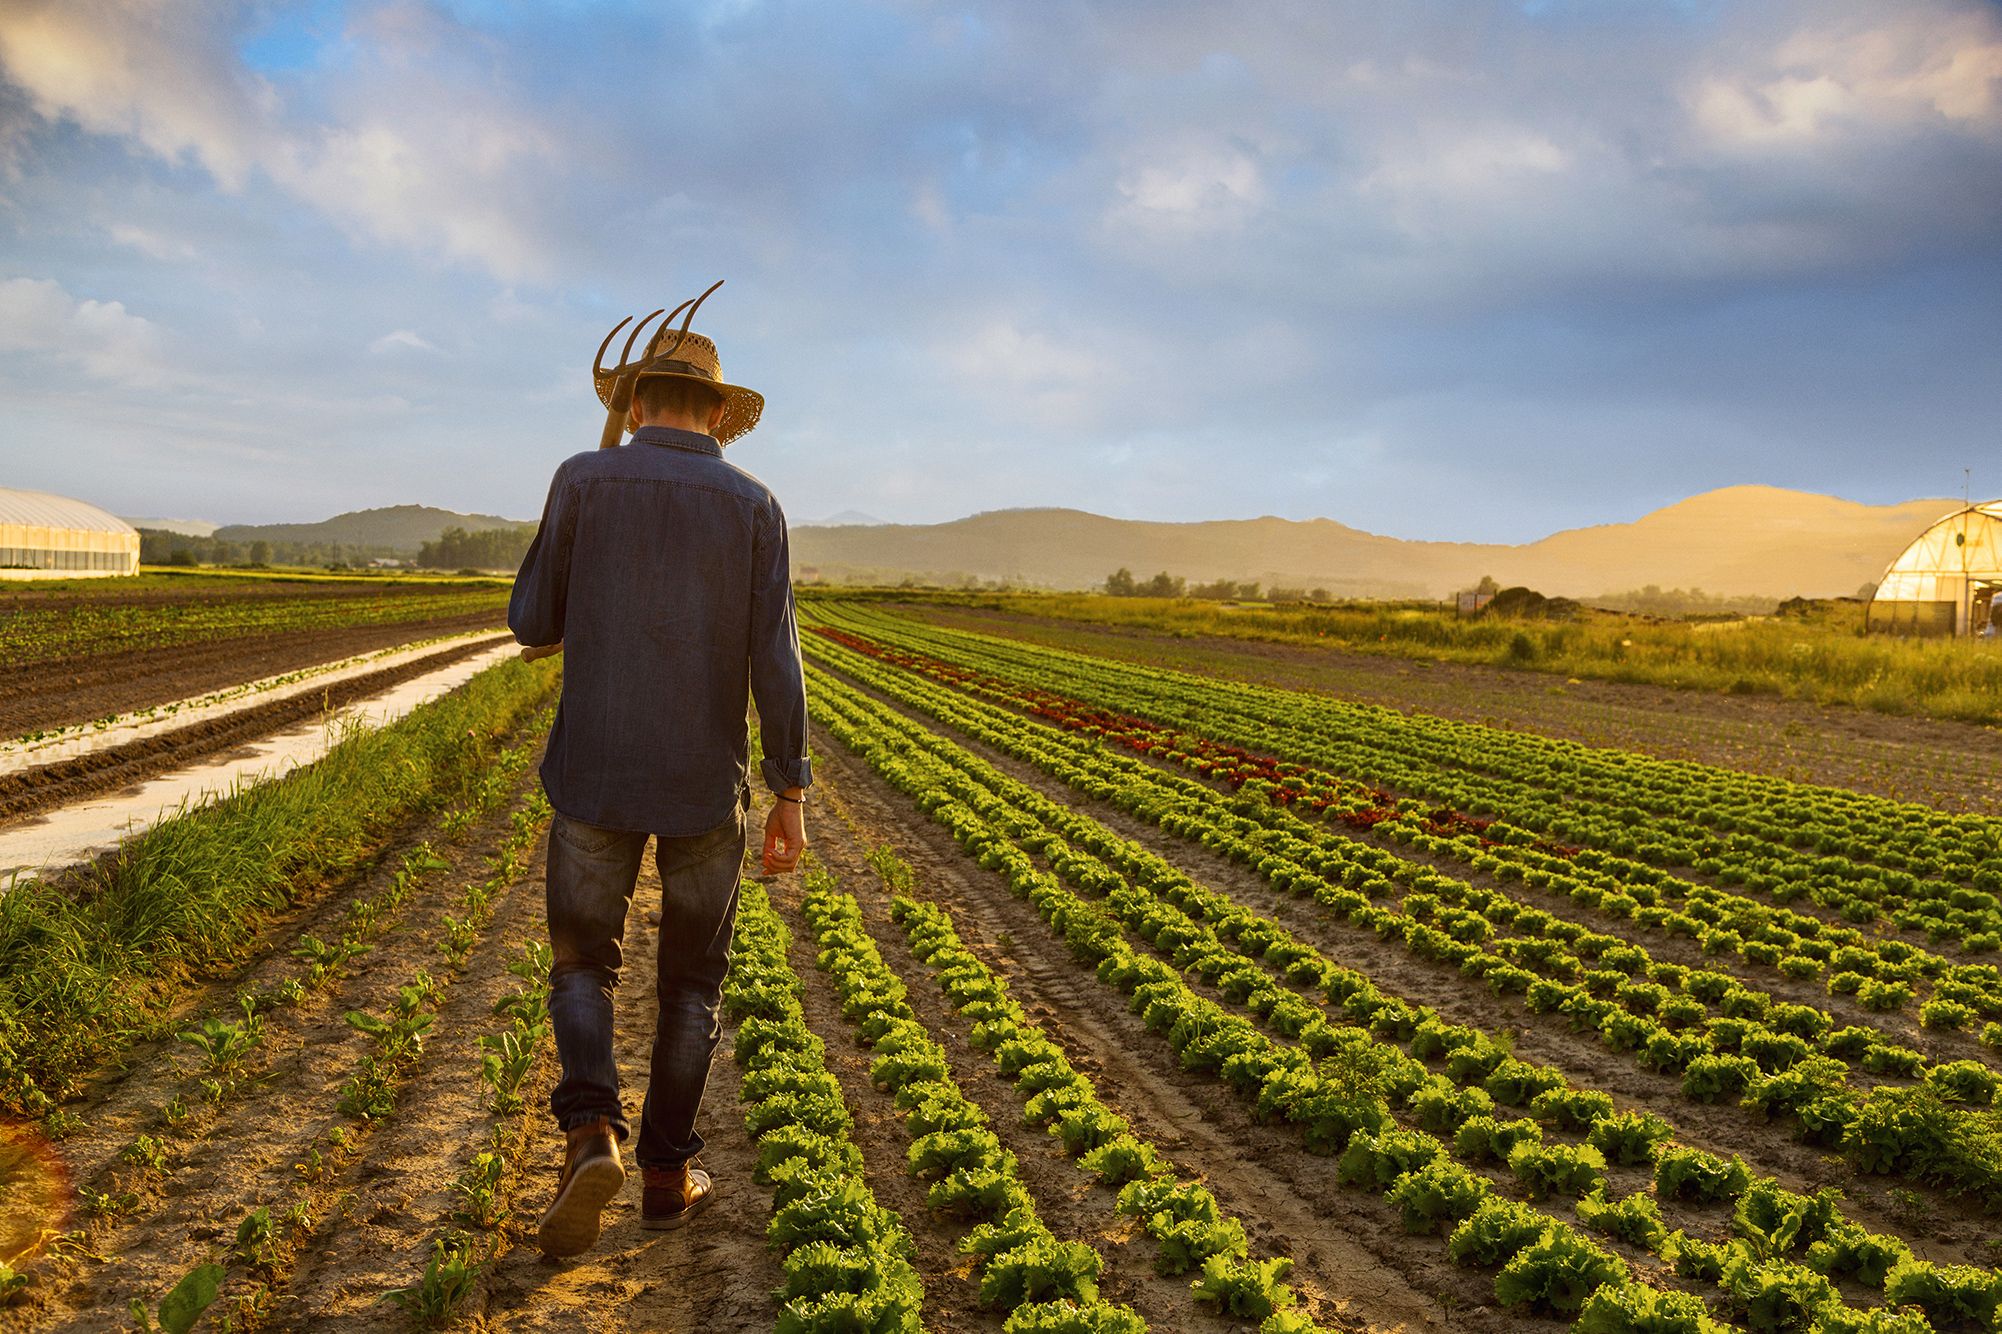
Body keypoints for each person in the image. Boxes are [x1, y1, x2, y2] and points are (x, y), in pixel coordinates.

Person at [508, 306, 811, 1258]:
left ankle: (591, 1132)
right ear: (718, 415)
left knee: (580, 963)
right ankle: (668, 1176)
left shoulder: (581, 479)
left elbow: (530, 620)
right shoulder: (755, 506)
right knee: (691, 984)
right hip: (701, 787)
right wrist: (790, 791)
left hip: (594, 770)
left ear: (636, 400)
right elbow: (777, 660)